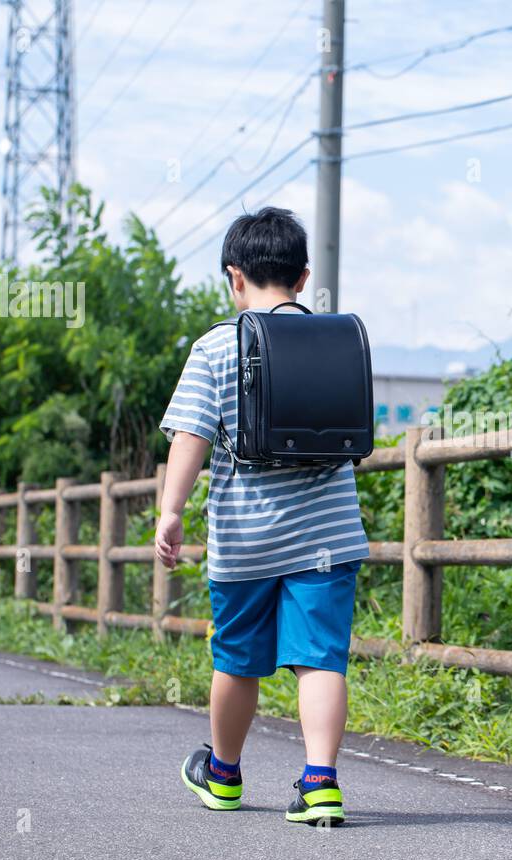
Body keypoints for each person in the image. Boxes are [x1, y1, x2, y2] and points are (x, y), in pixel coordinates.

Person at [155, 207, 368, 826]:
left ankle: (223, 773)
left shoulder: (217, 346)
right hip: (328, 536)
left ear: (234, 277)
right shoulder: (340, 339)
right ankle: (320, 782)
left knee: (238, 662)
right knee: (320, 659)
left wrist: (172, 511)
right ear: (303, 279)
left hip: (245, 540)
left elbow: (191, 435)